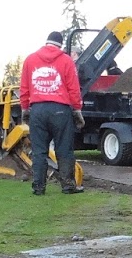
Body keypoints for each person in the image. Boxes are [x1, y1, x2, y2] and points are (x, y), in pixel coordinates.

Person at [19, 30, 85, 195]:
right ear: (60, 45)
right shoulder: (66, 61)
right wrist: (77, 109)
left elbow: (24, 88)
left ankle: (38, 187)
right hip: (60, 111)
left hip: (38, 110)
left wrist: (25, 108)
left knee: (39, 150)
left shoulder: (30, 60)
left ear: (46, 42)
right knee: (64, 149)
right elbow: (73, 88)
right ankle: (68, 186)